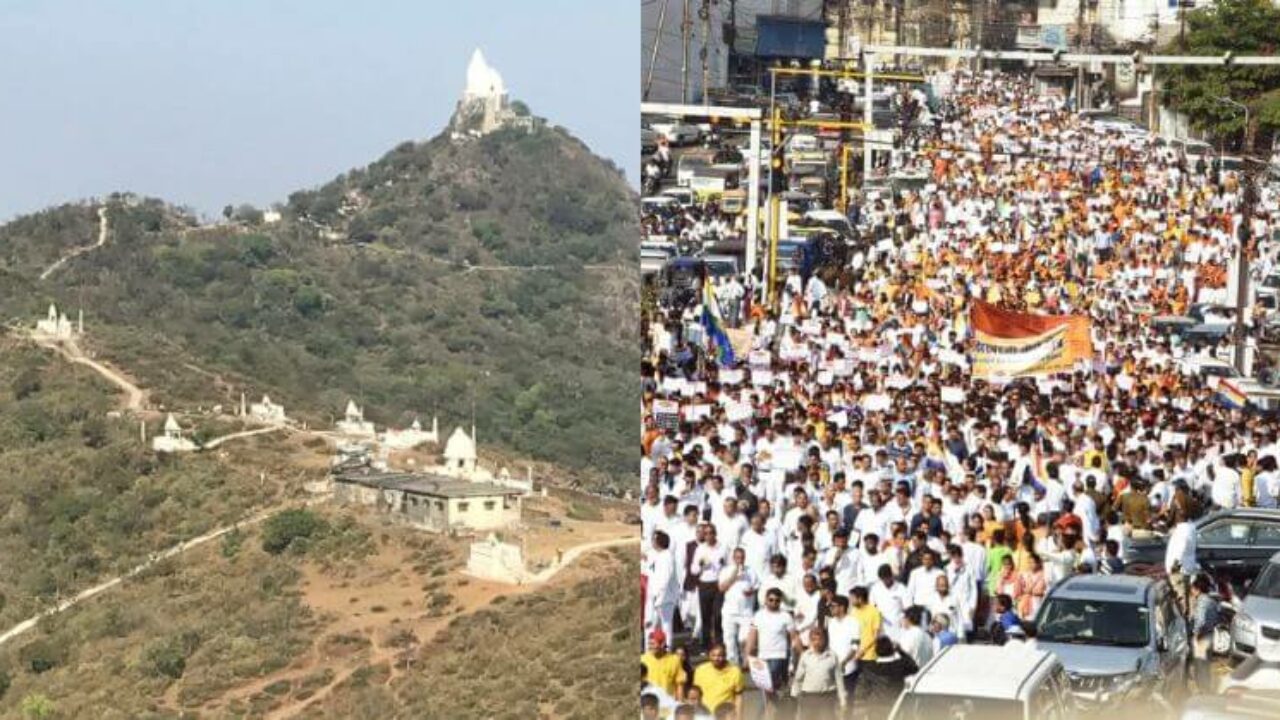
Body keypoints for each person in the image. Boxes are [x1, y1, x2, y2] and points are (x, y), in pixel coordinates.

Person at [747, 588, 798, 711]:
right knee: (766, 688)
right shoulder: (758, 615)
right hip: (762, 657)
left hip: (779, 657)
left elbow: (794, 637)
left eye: (777, 601)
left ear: (780, 602)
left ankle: (764, 714)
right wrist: (747, 655)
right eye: (771, 600)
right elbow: (752, 636)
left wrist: (799, 657)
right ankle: (780, 709)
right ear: (765, 600)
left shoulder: (785, 616)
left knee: (769, 687)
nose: (774, 603)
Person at [854, 636, 918, 718]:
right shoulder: (900, 665)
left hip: (875, 709)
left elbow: (857, 661)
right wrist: (900, 650)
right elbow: (914, 667)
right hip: (895, 707)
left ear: (876, 651)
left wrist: (861, 653)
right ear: (892, 650)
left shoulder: (869, 667)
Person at [791, 627, 847, 720]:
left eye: (819, 639)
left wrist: (843, 700)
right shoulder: (805, 656)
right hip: (808, 698)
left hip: (826, 698)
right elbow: (798, 679)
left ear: (825, 639)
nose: (816, 642)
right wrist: (794, 697)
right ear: (810, 641)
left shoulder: (832, 656)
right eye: (813, 640)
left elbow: (839, 680)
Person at [692, 643, 746, 719]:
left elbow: (739, 696)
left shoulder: (735, 671)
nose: (716, 658)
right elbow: (695, 696)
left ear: (725, 655)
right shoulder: (700, 670)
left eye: (720, 655)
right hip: (705, 715)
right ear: (709, 655)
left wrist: (739, 716)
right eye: (713, 655)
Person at [1189, 574, 1222, 693]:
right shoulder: (1212, 601)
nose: (1191, 591)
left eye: (1192, 588)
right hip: (1210, 636)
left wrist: (1196, 635)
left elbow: (1201, 621)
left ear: (1197, 588)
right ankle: (1206, 689)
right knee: (1206, 666)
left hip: (1202, 638)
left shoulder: (1202, 601)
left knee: (1200, 666)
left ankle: (1203, 691)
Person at [1166, 518, 1199, 616]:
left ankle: (1184, 618)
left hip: (1179, 569)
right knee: (1186, 595)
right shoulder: (1191, 528)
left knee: (1181, 597)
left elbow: (1181, 549)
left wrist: (1175, 565)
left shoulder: (1183, 530)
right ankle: (1188, 616)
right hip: (1187, 566)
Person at [641, 630, 686, 701]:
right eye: (649, 644)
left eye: (653, 644)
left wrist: (679, 703)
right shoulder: (643, 659)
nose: (650, 647)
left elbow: (679, 684)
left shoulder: (674, 660)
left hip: (668, 702)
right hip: (649, 702)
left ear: (662, 644)